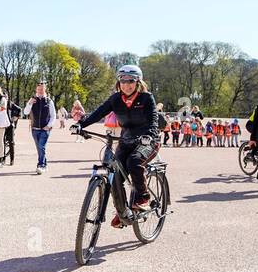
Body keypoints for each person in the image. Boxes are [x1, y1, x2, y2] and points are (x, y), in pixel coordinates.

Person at [73, 64, 160, 227]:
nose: (127, 85)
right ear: (118, 82)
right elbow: (98, 113)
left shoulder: (147, 98)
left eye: (131, 81)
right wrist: (80, 125)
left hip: (148, 140)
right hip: (126, 140)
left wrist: (149, 135)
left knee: (134, 162)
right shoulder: (115, 99)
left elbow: (154, 120)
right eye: (123, 81)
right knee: (114, 175)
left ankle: (143, 198)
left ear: (138, 82)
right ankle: (123, 213)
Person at [21, 80, 57, 174]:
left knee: (41, 146)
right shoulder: (32, 100)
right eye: (39, 89)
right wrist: (29, 103)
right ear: (36, 90)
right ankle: (44, 163)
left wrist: (49, 126)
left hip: (45, 129)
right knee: (40, 148)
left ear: (45, 90)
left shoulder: (49, 101)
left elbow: (53, 115)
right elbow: (25, 112)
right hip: (34, 129)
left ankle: (41, 165)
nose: (40, 91)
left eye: (42, 89)